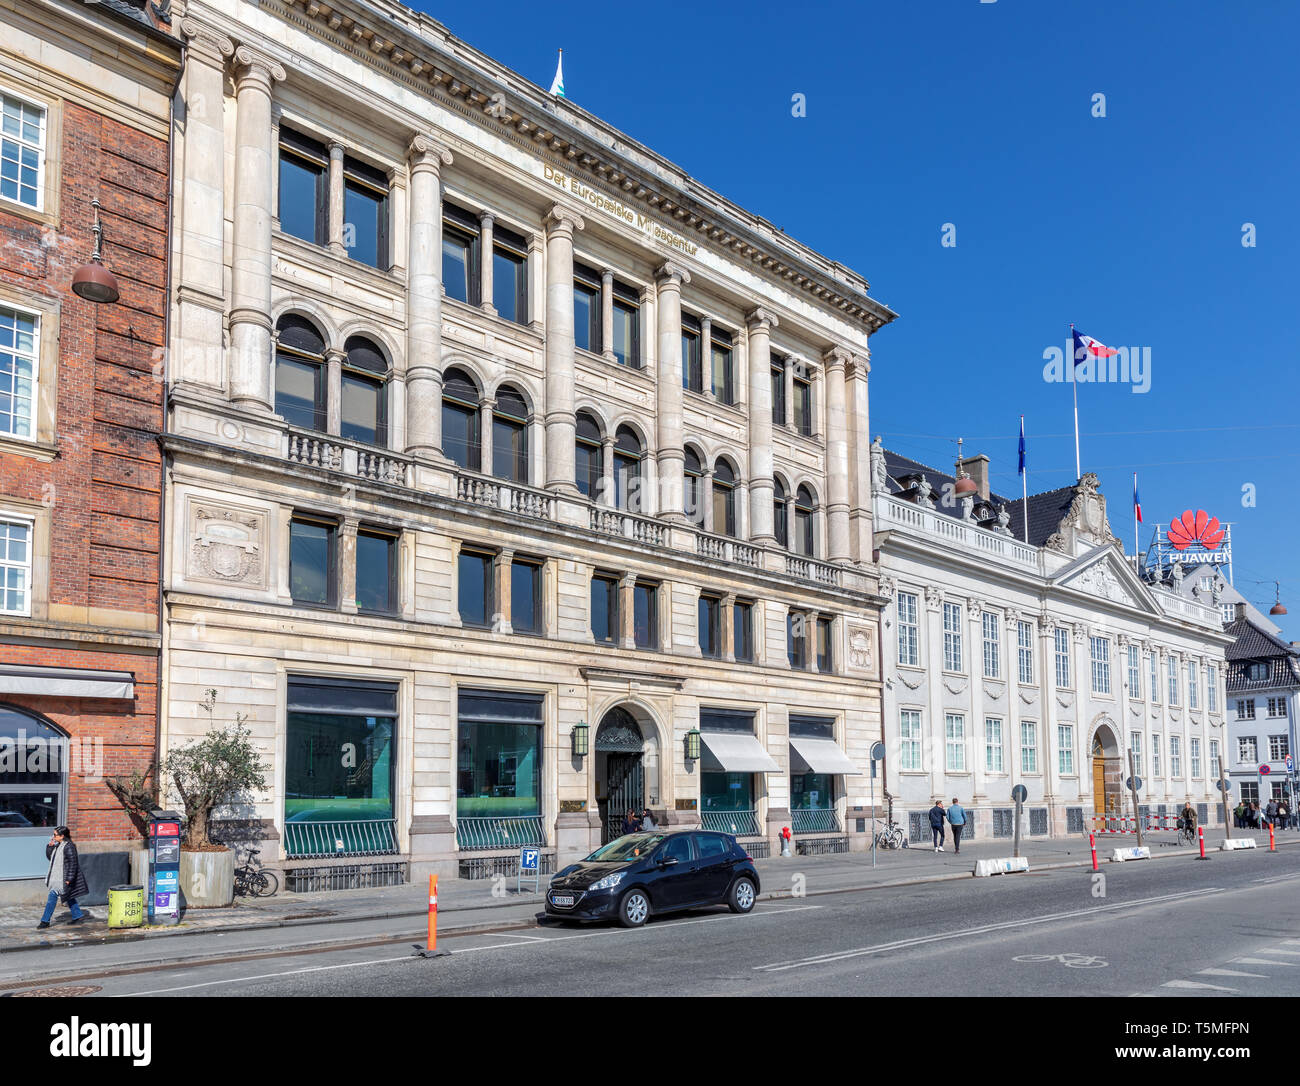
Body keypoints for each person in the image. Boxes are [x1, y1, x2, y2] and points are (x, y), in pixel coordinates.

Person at [38, 825, 89, 930]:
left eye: (55, 835)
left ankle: (45, 921)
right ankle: (78, 916)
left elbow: (73, 864)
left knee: (52, 897)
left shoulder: (69, 846)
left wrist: (69, 879)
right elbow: (51, 858)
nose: (53, 836)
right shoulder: (59, 845)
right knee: (69, 897)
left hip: (62, 878)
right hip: (58, 877)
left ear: (62, 836)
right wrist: (50, 846)